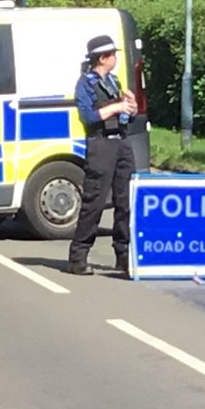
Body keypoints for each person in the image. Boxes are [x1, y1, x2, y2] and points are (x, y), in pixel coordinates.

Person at [67, 34, 137, 276]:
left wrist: (130, 108)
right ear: (102, 58)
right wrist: (116, 107)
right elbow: (88, 117)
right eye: (113, 55)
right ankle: (78, 257)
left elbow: (124, 116)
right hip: (101, 144)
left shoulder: (114, 82)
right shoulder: (85, 84)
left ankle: (123, 255)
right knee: (94, 202)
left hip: (121, 143)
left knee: (125, 201)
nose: (115, 59)